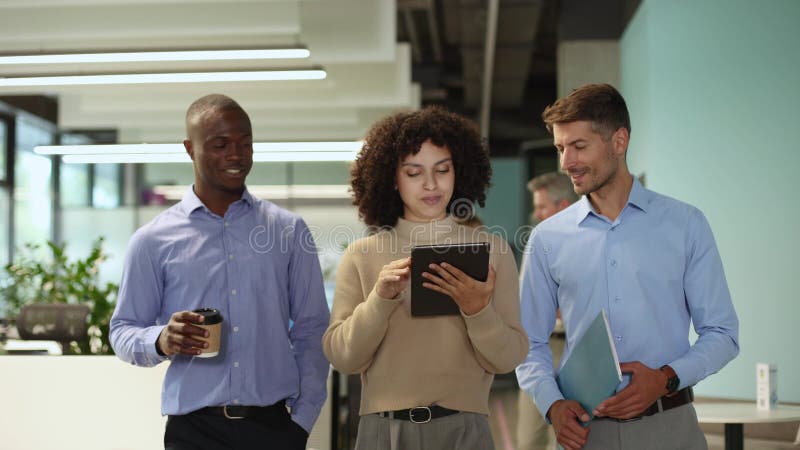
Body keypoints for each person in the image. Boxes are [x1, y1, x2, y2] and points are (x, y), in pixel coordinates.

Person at [515, 84, 739, 450]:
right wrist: (552, 405)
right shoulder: (546, 238)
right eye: (560, 148)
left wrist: (667, 378)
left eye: (579, 146)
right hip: (584, 435)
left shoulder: (685, 224)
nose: (566, 162)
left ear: (619, 142)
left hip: (670, 428)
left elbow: (722, 333)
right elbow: (528, 343)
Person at [109, 94, 330, 450]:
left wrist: (301, 422)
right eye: (220, 144)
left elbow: (312, 329)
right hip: (193, 432)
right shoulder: (152, 241)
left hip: (273, 430)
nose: (236, 155)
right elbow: (122, 330)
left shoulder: (288, 231)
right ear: (189, 149)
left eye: (245, 144)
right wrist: (161, 339)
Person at [323, 106, 528, 450]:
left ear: (458, 172)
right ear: (392, 178)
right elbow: (343, 357)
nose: (431, 184)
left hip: (466, 431)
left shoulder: (492, 251)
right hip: (383, 433)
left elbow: (509, 358)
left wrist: (477, 310)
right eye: (414, 172)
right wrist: (380, 300)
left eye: (442, 170)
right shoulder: (362, 255)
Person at [516, 172, 577, 450]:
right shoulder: (536, 244)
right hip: (540, 349)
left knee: (570, 438)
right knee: (530, 439)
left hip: (577, 352)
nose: (536, 213)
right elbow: (525, 305)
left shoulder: (592, 243)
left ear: (563, 206)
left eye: (541, 207)